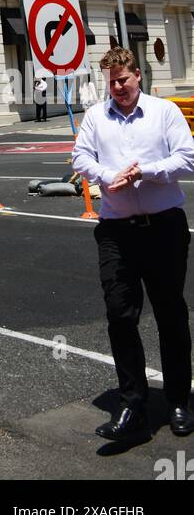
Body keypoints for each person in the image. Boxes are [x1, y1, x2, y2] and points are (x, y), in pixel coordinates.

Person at [71, 47, 194, 444]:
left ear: (137, 75)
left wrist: (147, 171)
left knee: (170, 312)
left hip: (164, 227)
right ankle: (132, 405)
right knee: (120, 315)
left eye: (123, 79)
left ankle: (179, 400)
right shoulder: (95, 117)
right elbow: (80, 157)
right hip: (116, 231)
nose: (118, 88)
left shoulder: (164, 112)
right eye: (111, 82)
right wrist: (107, 176)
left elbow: (188, 159)